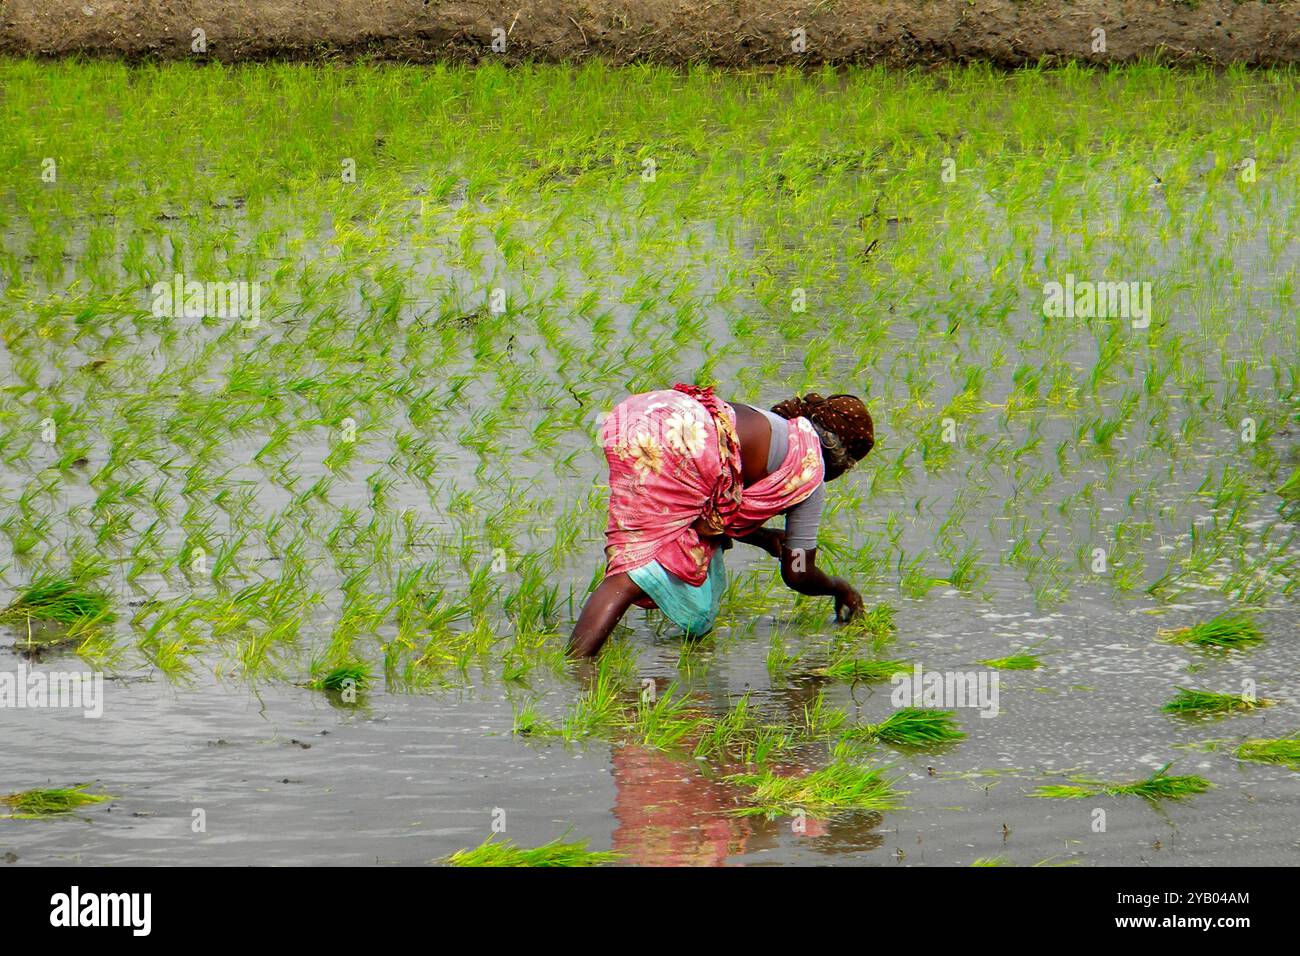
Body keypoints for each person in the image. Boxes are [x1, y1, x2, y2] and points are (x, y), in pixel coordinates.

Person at [567, 383, 875, 657]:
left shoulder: (777, 427)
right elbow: (798, 573)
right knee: (630, 574)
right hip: (677, 442)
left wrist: (764, 538)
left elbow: (717, 503)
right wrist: (840, 588)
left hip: (648, 414)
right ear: (840, 455)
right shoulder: (809, 470)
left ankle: (581, 660)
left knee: (645, 548)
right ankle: (577, 666)